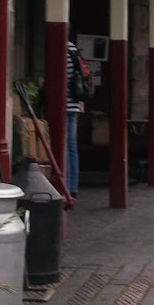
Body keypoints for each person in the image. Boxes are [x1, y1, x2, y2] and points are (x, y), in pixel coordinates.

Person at [65, 37, 86, 196]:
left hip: (64, 105)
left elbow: (62, 79)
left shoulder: (62, 50)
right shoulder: (73, 49)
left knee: (63, 145)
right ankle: (73, 186)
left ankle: (65, 184)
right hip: (75, 104)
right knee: (72, 146)